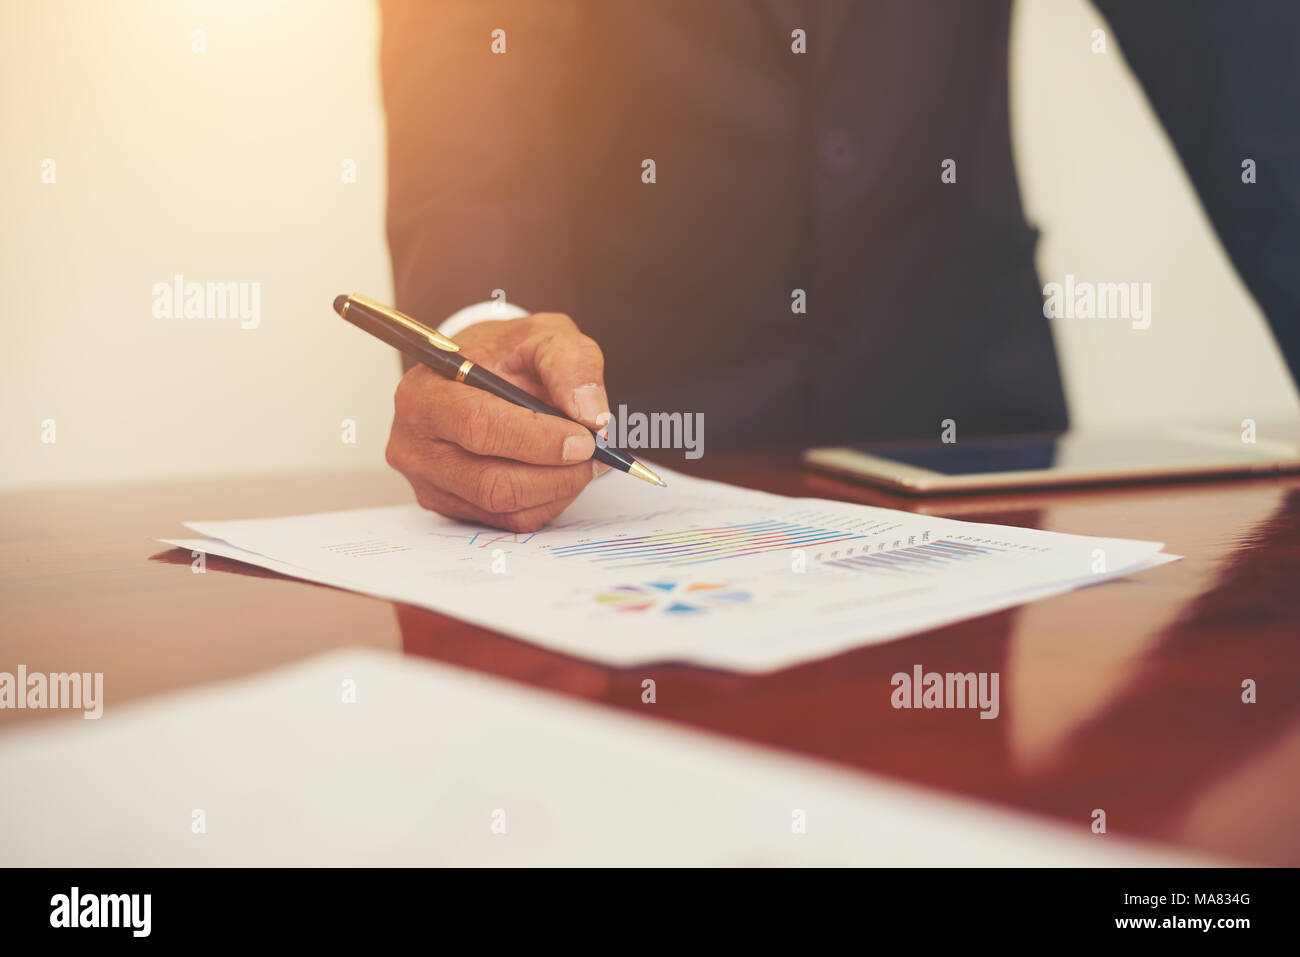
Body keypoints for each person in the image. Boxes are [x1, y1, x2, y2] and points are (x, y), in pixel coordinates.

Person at [378, 0, 1299, 531]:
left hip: (972, 448)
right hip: (622, 449)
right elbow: (471, 44)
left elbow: (1244, 62)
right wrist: (479, 321)